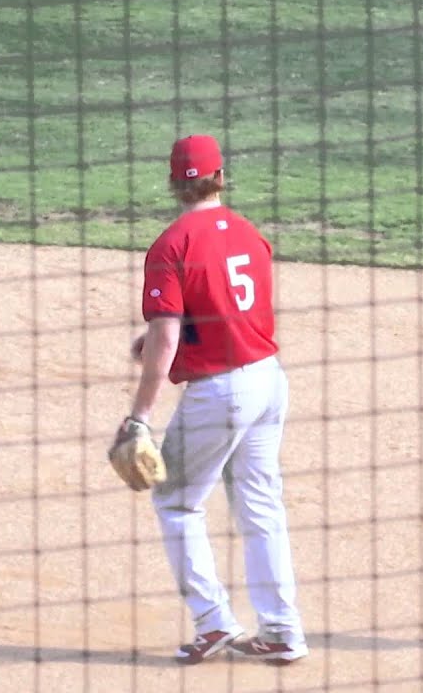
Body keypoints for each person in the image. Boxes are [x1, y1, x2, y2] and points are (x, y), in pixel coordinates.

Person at [123, 134, 308, 666]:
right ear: (220, 177)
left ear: (173, 183)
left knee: (176, 502)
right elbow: (226, 308)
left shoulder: (171, 245)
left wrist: (138, 416)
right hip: (269, 380)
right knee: (260, 505)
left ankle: (212, 623)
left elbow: (165, 336)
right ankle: (281, 629)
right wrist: (172, 333)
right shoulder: (250, 234)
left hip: (221, 393)